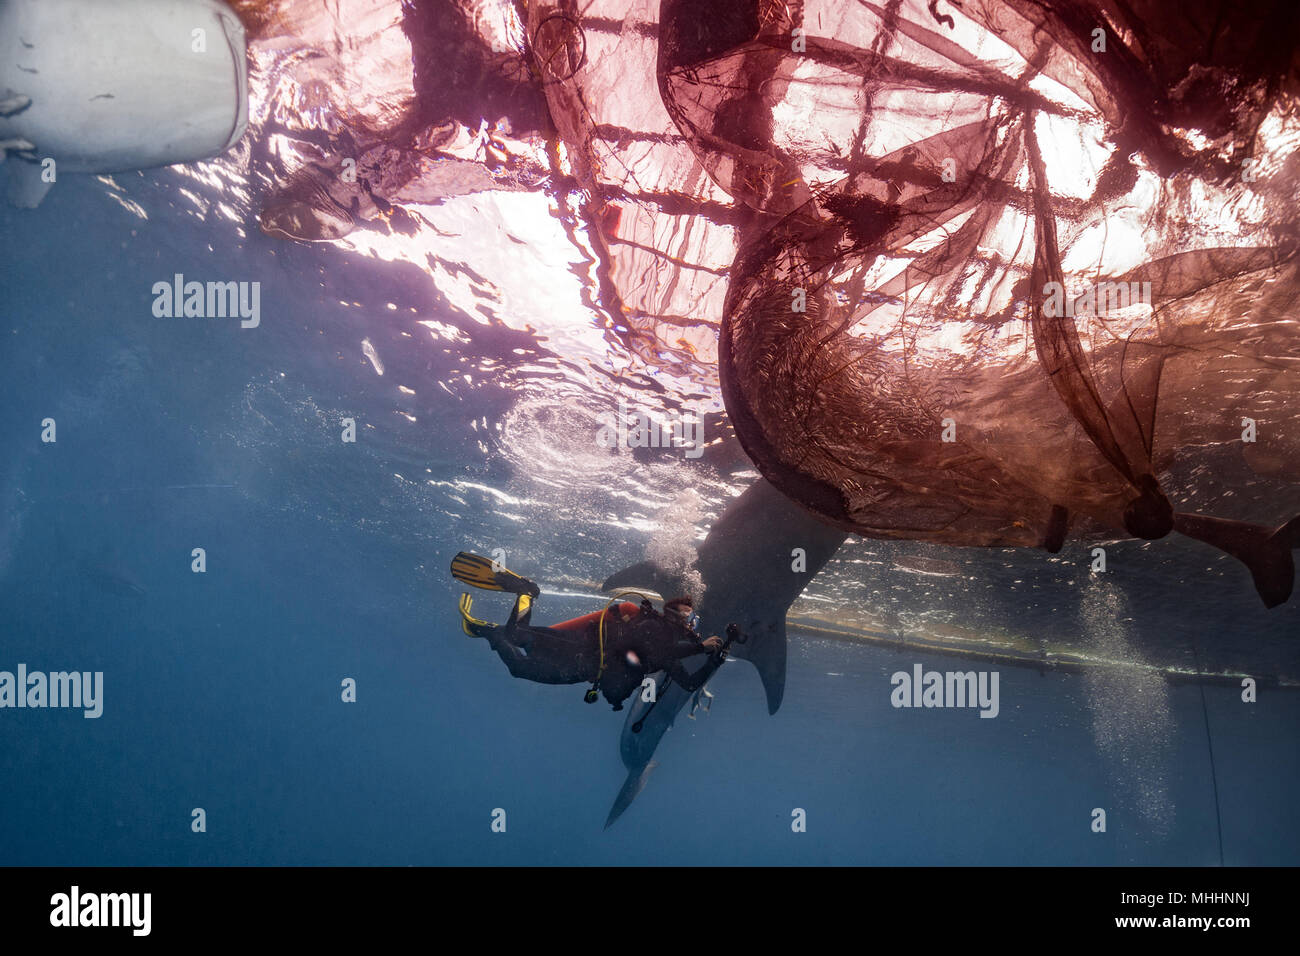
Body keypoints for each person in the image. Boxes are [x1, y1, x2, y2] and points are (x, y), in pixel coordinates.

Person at [451, 552, 723, 710]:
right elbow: (649, 645)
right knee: (518, 651)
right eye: (689, 620)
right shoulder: (652, 627)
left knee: (518, 651)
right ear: (673, 616)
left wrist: (715, 660)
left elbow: (688, 683)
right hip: (579, 655)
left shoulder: (669, 653)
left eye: (693, 623)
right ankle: (513, 607)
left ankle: (494, 626)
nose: (691, 627)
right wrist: (700, 648)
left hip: (581, 661)